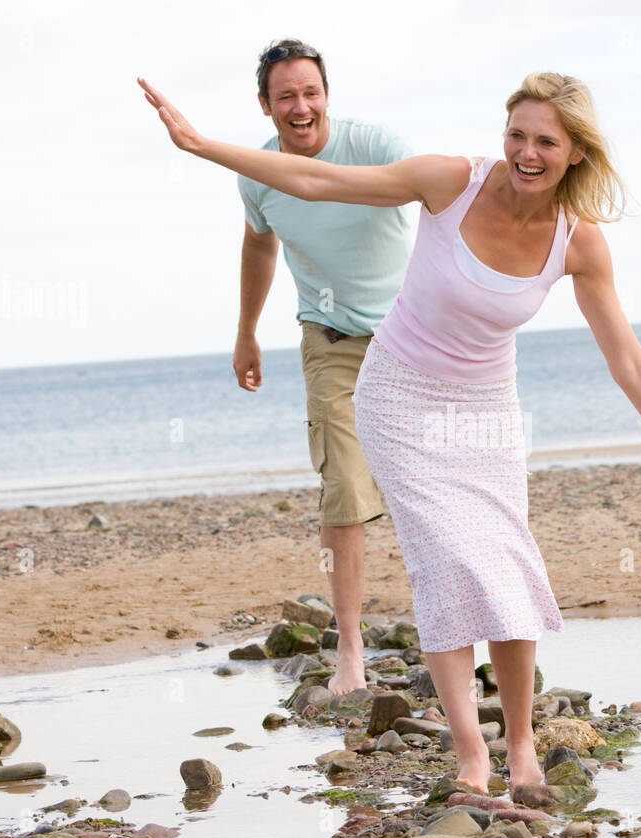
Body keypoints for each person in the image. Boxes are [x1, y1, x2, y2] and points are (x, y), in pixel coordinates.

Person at [138, 70, 641, 796]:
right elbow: (316, 183)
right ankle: (473, 752)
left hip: (487, 413)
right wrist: (199, 144)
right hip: (400, 397)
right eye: (516, 135)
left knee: (506, 566)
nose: (526, 153)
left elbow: (626, 358)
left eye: (545, 142)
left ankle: (524, 747)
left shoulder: (579, 242)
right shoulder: (451, 182)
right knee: (445, 563)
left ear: (574, 154)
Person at [230, 39, 413, 696]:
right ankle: (351, 652)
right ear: (266, 105)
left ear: (326, 95)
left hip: (410, 340)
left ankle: (464, 623)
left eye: (310, 92)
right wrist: (247, 330)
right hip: (329, 340)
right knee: (343, 491)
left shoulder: (376, 146)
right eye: (286, 96)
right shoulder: (256, 172)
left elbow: (444, 203)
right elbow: (259, 243)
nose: (300, 107)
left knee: (434, 486)